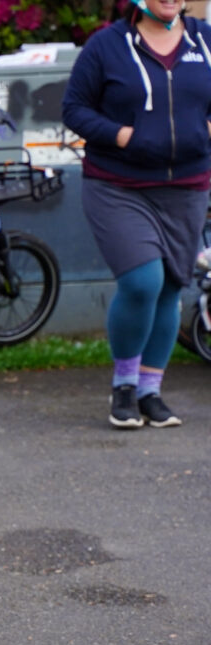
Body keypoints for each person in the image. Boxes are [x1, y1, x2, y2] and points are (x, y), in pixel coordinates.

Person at [63, 0, 211, 429]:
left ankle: (151, 391)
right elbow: (74, 109)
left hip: (185, 187)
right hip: (118, 185)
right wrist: (125, 135)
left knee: (170, 286)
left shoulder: (204, 40)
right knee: (143, 280)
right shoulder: (107, 46)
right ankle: (124, 386)